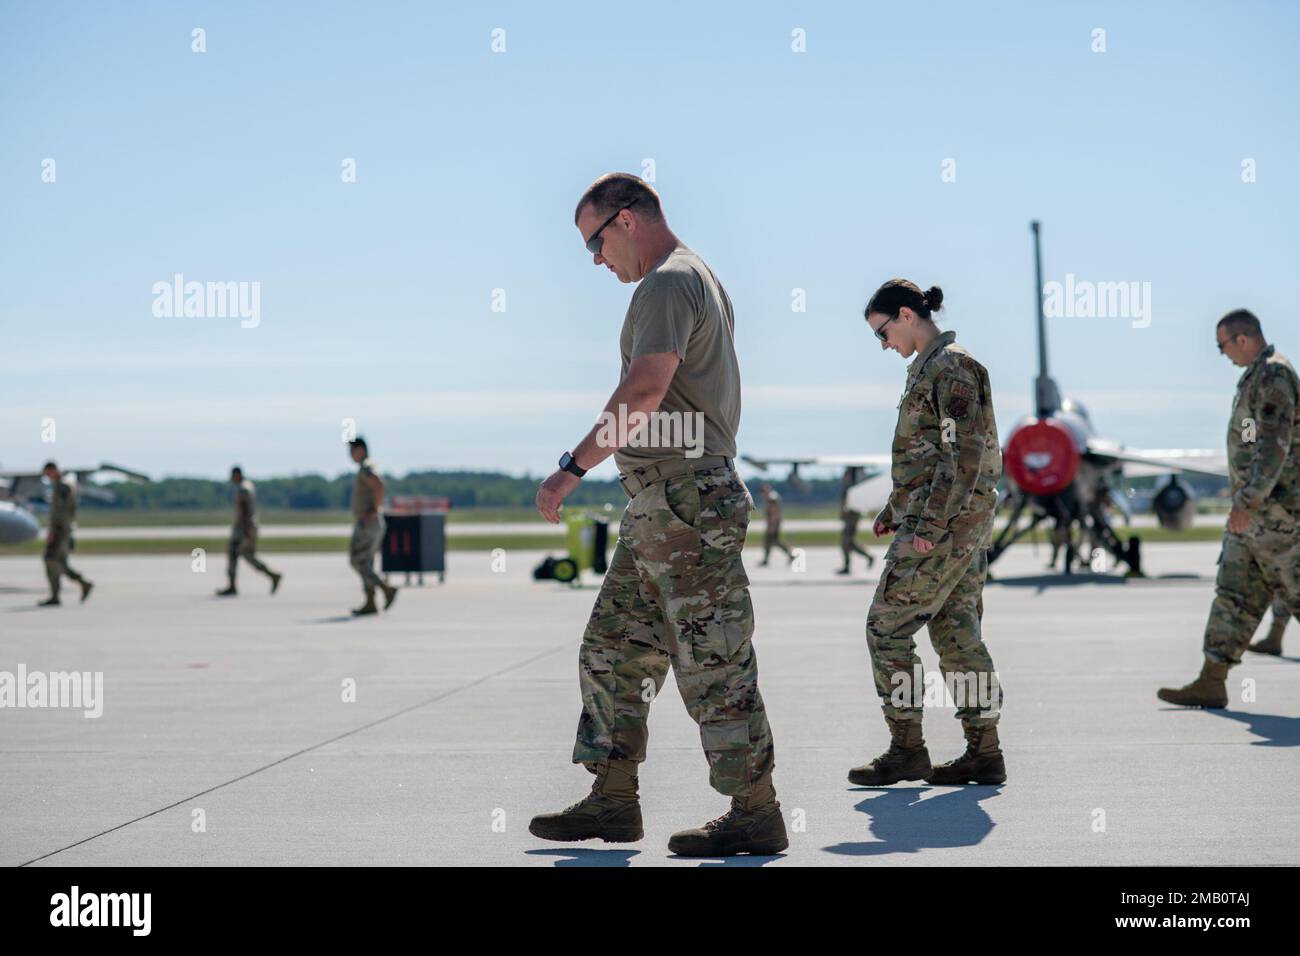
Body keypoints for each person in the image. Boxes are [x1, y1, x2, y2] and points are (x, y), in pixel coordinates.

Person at [529, 172, 785, 857]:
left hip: (686, 501)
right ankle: (612, 801)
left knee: (712, 661)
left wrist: (571, 467)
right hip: (661, 505)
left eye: (594, 242)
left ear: (626, 220)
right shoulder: (686, 277)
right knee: (614, 650)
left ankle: (755, 811)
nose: (594, 259)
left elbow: (644, 390)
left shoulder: (668, 282)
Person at [848, 280, 1006, 786]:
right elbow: (928, 455)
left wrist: (931, 524)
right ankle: (984, 751)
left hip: (943, 527)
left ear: (905, 315)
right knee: (957, 635)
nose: (883, 344)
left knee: (885, 629)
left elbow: (964, 457)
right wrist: (895, 508)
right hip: (948, 524)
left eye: (883, 332)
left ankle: (906, 747)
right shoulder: (931, 368)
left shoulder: (952, 368)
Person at [1159, 311, 1298, 706]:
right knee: (1233, 594)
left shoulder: (1274, 376)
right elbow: (1253, 445)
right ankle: (1212, 679)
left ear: (1242, 338)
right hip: (1252, 519)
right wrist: (1243, 500)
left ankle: (1212, 676)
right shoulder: (1256, 376)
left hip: (1281, 519)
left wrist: (1250, 497)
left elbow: (1275, 444)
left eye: (1222, 346)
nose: (1222, 354)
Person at [347, 438, 397, 616]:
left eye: (352, 450)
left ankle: (385, 588)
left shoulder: (366, 467)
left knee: (357, 560)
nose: (350, 455)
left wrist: (374, 509)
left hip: (368, 522)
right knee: (366, 562)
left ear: (360, 450)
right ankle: (370, 601)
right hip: (371, 522)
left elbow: (379, 484)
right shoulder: (367, 466)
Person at [216, 466, 282, 597]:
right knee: (248, 555)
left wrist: (245, 529)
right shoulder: (249, 486)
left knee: (234, 553)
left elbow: (245, 510)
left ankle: (232, 586)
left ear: (237, 475)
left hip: (243, 527)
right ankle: (273, 575)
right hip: (249, 526)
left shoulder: (243, 489)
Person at [38, 462, 92, 606]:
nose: (47, 477)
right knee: (60, 562)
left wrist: (54, 531)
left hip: (60, 530)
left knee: (50, 559)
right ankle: (82, 583)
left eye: (47, 473)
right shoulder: (66, 484)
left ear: (53, 470)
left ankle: (56, 595)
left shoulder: (63, 486)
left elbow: (61, 512)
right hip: (64, 529)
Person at [837, 466, 876, 575]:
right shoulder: (849, 485)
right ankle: (849, 565)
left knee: (846, 542)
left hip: (852, 518)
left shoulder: (852, 486)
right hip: (849, 518)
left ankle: (866, 558)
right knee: (847, 542)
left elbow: (849, 502)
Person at [758, 482, 794, 567]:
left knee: (774, 541)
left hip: (773, 523)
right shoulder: (773, 496)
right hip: (774, 522)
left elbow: (774, 513)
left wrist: (772, 526)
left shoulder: (771, 498)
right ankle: (766, 560)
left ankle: (791, 555)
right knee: (770, 542)